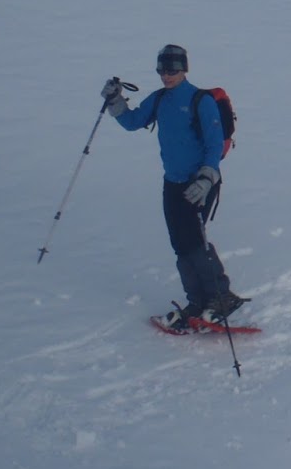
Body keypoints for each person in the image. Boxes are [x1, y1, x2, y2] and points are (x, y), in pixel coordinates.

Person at [101, 44, 246, 331]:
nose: (166, 75)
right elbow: (132, 122)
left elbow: (214, 144)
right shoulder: (159, 99)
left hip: (199, 183)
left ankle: (221, 297)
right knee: (180, 245)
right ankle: (197, 302)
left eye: (172, 70)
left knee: (195, 242)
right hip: (173, 183)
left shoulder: (200, 100)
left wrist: (206, 178)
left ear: (184, 70)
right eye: (162, 70)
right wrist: (115, 100)